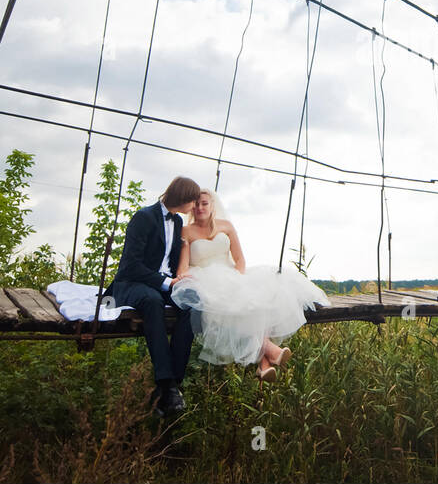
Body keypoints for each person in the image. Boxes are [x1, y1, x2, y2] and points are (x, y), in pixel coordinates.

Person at [171, 188, 330, 382]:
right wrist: (187, 278)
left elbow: (239, 260)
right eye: (196, 204)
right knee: (232, 304)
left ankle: (264, 364)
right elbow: (182, 268)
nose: (200, 208)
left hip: (230, 274)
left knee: (255, 299)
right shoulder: (186, 231)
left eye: (204, 203)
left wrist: (236, 280)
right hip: (204, 278)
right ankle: (268, 354)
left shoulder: (226, 226)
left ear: (213, 205)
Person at [103, 175, 202, 417]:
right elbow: (130, 266)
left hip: (164, 282)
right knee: (152, 301)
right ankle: (167, 383)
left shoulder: (177, 222)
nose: (194, 206)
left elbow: (173, 259)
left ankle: (171, 386)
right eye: (193, 201)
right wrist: (167, 283)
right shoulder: (144, 218)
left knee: (191, 304)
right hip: (134, 282)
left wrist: (181, 279)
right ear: (183, 198)